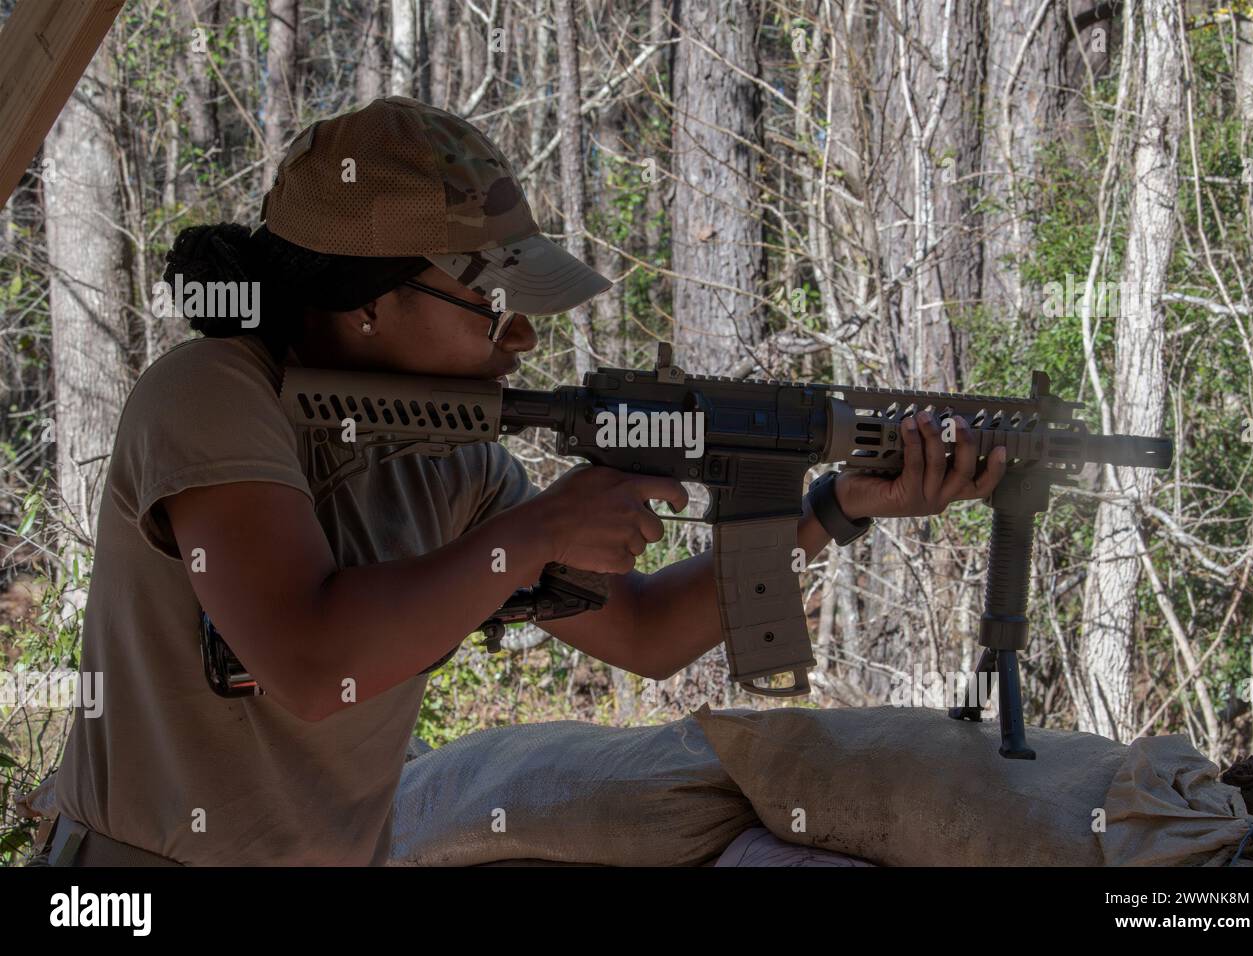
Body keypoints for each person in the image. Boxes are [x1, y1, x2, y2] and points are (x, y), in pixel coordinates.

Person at [43, 96, 1006, 866]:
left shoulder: (451, 456)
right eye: (493, 306)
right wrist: (534, 535)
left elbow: (643, 634)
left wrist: (833, 510)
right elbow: (308, 662)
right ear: (370, 302)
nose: (523, 337)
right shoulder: (211, 392)